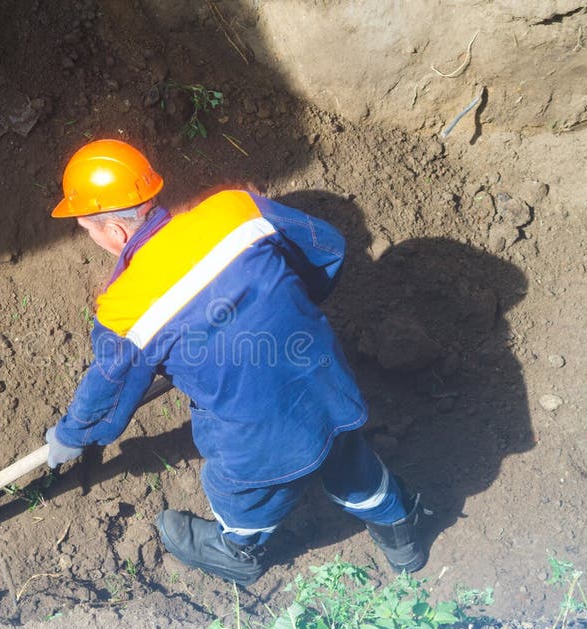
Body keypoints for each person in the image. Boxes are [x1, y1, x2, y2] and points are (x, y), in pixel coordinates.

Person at [44, 139, 429, 586]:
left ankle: (238, 549)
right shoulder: (234, 209)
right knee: (351, 462)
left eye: (87, 229)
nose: (91, 239)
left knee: (239, 488)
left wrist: (71, 436)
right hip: (329, 383)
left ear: (115, 232)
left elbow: (107, 394)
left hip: (260, 438)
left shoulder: (124, 310)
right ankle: (403, 538)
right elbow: (327, 247)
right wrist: (286, 304)